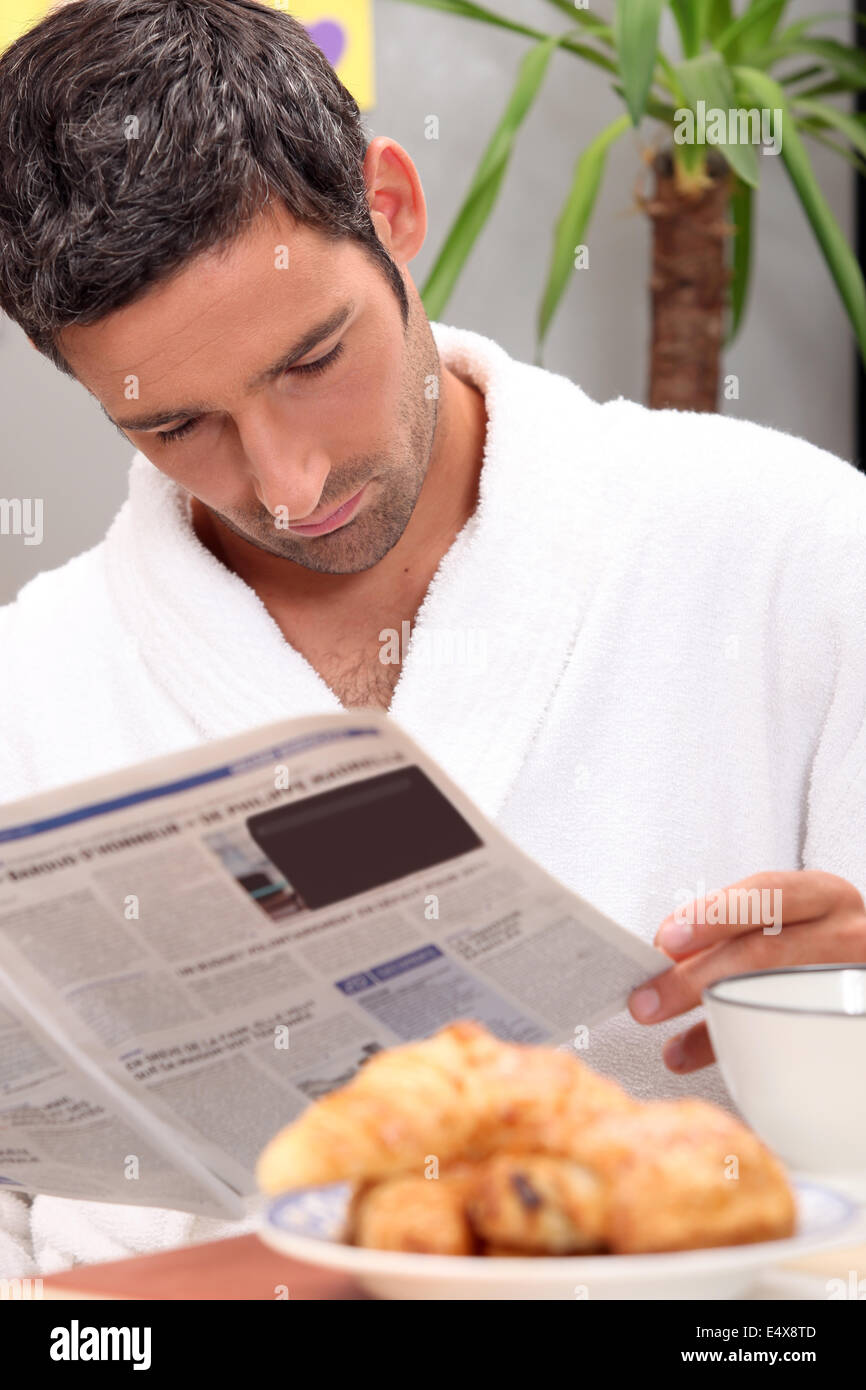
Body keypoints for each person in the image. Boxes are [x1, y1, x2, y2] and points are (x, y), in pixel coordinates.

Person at [0, 0, 863, 1276]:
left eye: (311, 359)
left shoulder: (793, 546)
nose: (288, 484)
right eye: (180, 427)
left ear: (392, 209)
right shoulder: (32, 685)